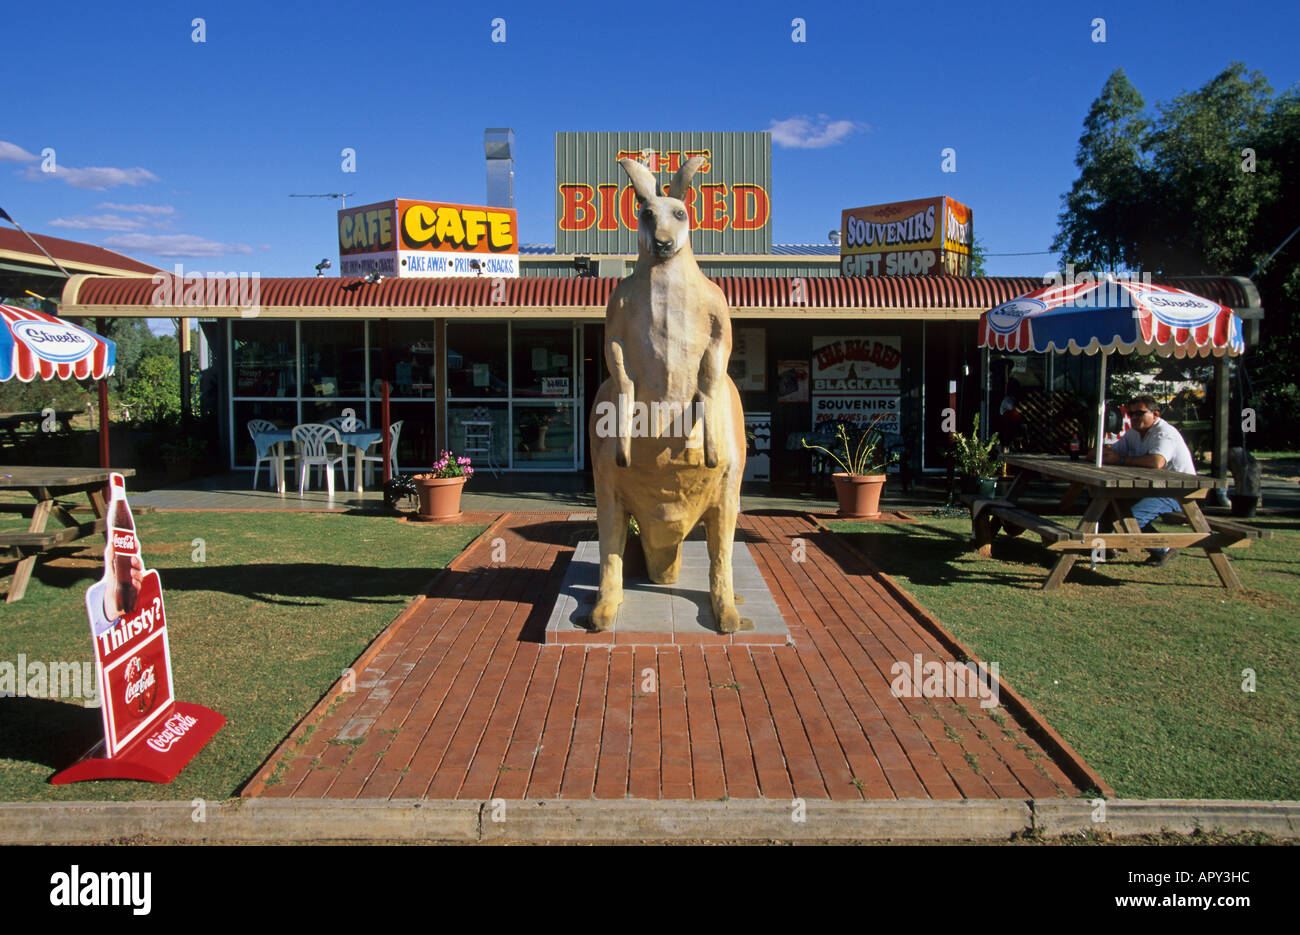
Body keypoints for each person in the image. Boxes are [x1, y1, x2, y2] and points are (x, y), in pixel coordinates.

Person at [1100, 394, 1196, 565]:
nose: (1134, 418)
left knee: (1131, 520)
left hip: (1176, 490)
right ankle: (1104, 548)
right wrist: (1100, 452)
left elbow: (1156, 461)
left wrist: (1121, 459)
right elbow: (1111, 452)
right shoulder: (1134, 433)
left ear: (1155, 414)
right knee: (1107, 504)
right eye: (1131, 414)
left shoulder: (1164, 434)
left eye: (1140, 413)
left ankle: (1164, 549)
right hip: (1150, 488)